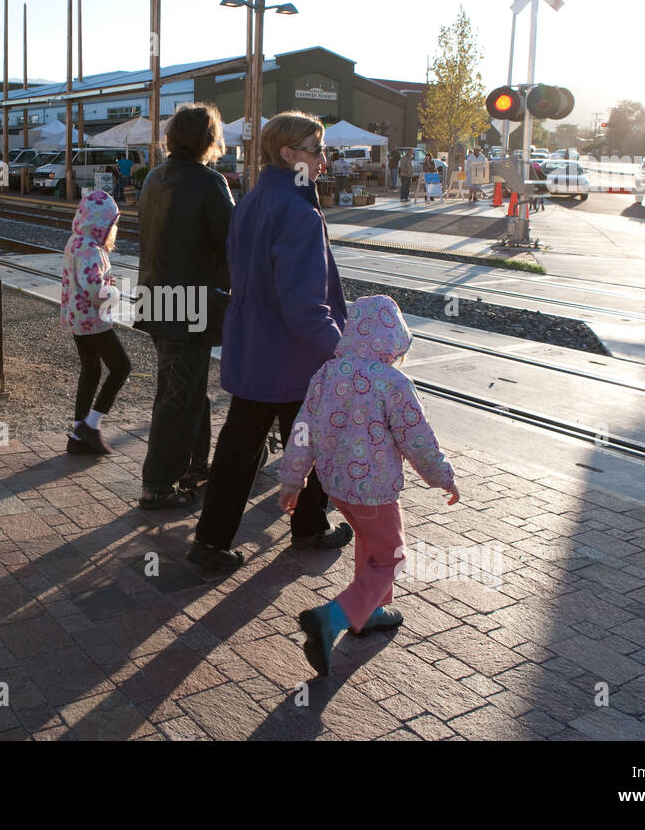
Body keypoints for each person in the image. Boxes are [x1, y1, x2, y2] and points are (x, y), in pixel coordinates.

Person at [188, 111, 353, 571]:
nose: (323, 160)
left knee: (239, 449)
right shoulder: (299, 212)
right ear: (288, 154)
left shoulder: (253, 200)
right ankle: (308, 528)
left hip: (256, 347)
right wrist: (338, 346)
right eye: (316, 150)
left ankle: (212, 541)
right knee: (313, 440)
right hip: (293, 355)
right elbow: (304, 302)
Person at [276, 295, 460, 677]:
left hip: (337, 488)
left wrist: (293, 479)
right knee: (392, 557)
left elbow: (303, 429)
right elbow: (417, 438)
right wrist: (442, 476)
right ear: (394, 339)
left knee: (369, 543)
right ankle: (332, 617)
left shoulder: (327, 373)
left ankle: (371, 612)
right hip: (374, 490)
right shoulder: (392, 382)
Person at [135, 103, 235, 509]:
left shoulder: (155, 177)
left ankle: (195, 465)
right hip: (189, 304)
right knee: (178, 397)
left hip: (157, 298)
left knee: (187, 389)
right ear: (209, 140)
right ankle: (158, 485)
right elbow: (234, 242)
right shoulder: (209, 183)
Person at [59, 188, 130, 456]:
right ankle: (91, 423)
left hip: (77, 319)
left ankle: (78, 434)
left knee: (91, 370)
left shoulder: (75, 241)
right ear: (103, 223)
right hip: (93, 319)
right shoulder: (91, 249)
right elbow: (95, 289)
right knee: (122, 367)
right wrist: (115, 294)